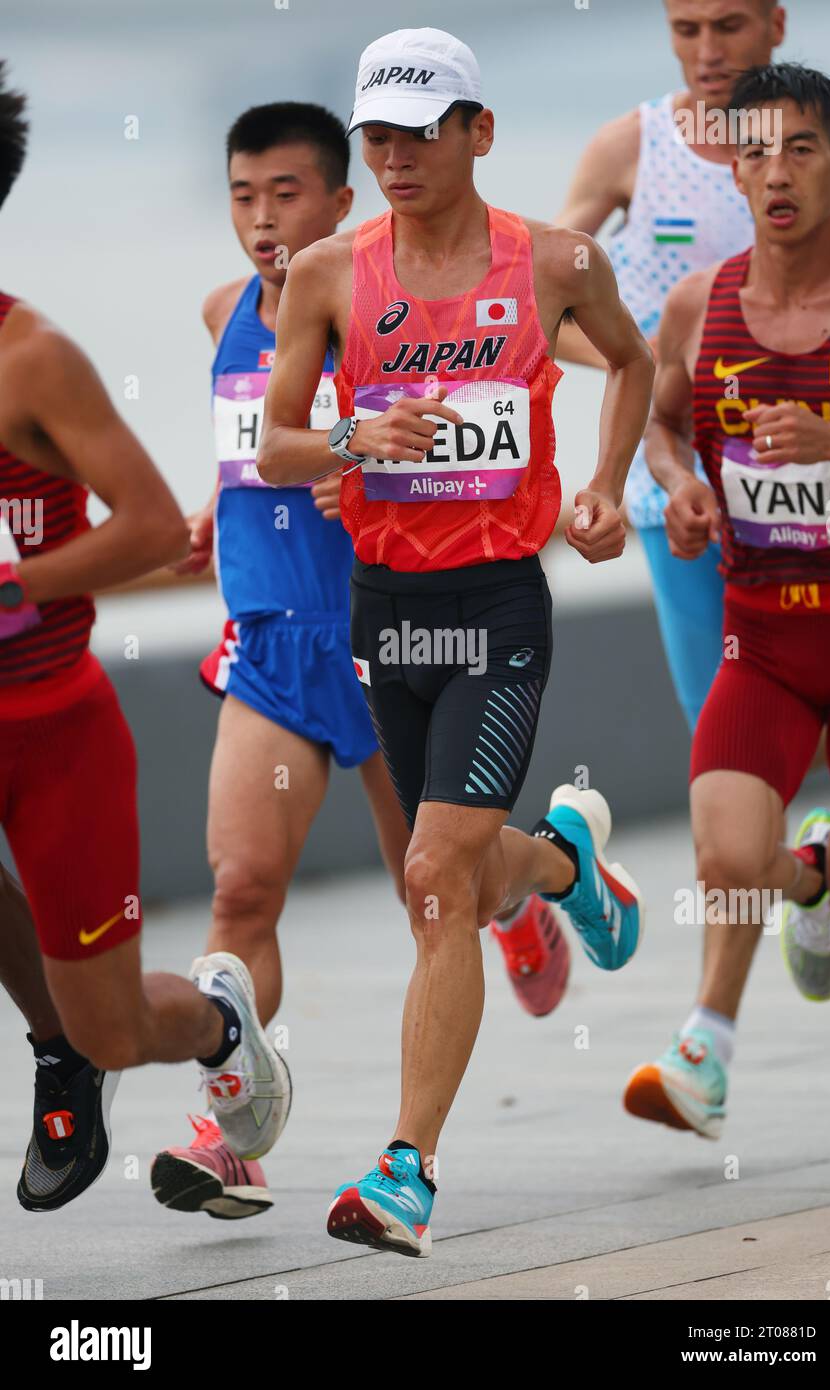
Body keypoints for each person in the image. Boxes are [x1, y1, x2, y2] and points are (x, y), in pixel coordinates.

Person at [257, 27, 654, 1256]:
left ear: (478, 131)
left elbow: (632, 363)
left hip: (497, 607)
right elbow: (276, 445)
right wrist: (349, 445)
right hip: (385, 607)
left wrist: (602, 489)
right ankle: (561, 869)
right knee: (460, 875)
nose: (392, 155)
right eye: (375, 133)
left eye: (420, 131)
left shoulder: (557, 260)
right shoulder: (326, 272)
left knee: (430, 880)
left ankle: (404, 1172)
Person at [0, 64, 290, 1209]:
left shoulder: (31, 359)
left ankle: (217, 1026)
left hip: (53, 729)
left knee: (115, 1023)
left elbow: (155, 528)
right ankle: (54, 1046)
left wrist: (17, 582)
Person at [556, 0, 830, 999]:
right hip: (682, 496)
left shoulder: (825, 137)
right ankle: (723, 1012)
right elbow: (537, 292)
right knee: (724, 769)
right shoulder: (629, 145)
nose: (705, 52)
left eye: (727, 26)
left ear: (775, 25)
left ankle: (808, 897)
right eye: (684, 29)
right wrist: (635, 371)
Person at [149, 102, 414, 1221]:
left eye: (287, 194)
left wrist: (367, 475)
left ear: (342, 202)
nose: (262, 220)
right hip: (270, 644)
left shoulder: (385, 320)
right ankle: (231, 1132)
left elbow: (458, 464)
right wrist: (221, 499)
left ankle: (553, 874)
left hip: (391, 629)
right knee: (243, 888)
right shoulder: (222, 314)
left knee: (435, 892)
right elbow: (244, 438)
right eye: (242, 196)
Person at [625, 63, 830, 1140]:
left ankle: (828, 888)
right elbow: (662, 422)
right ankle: (797, 881)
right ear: (730, 163)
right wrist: (677, 486)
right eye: (755, 151)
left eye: (800, 150)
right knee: (725, 858)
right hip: (760, 640)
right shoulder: (698, 302)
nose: (775, 174)